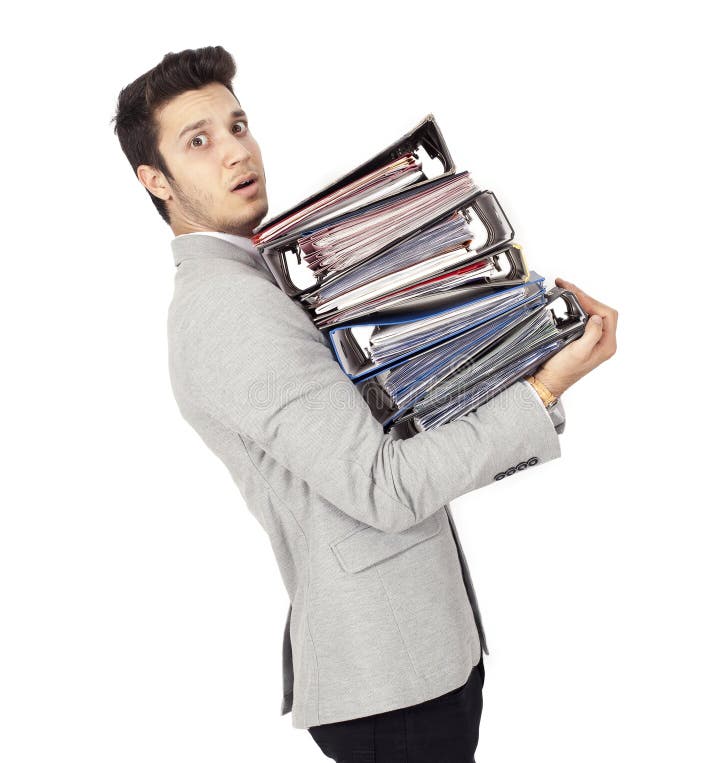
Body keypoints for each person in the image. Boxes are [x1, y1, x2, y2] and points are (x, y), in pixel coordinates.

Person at [112, 45, 617, 762]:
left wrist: (521, 345)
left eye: (238, 124)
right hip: (392, 686)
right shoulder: (230, 310)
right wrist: (544, 390)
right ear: (154, 179)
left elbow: (390, 419)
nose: (235, 151)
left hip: (412, 663)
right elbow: (382, 486)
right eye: (199, 140)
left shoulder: (260, 277)